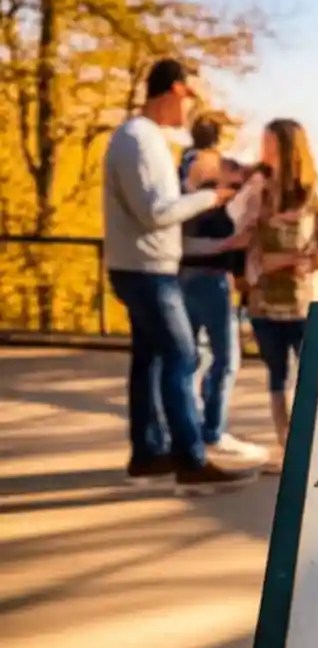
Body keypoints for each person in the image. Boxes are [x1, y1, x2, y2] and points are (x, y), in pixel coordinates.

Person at [103, 58, 258, 494]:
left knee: (151, 359)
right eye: (190, 94)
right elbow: (156, 213)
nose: (191, 104)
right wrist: (213, 197)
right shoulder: (140, 140)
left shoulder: (139, 138)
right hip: (148, 270)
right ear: (173, 90)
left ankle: (149, 453)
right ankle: (190, 457)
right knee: (182, 356)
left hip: (140, 266)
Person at [225, 119, 318, 472]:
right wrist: (249, 188)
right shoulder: (259, 186)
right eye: (264, 142)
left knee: (314, 376)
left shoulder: (313, 191)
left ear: (290, 148)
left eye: (271, 143)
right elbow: (233, 221)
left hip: (305, 302)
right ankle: (289, 448)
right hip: (264, 301)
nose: (264, 150)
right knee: (278, 375)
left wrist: (306, 261)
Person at [177, 116, 269, 465]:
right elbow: (239, 180)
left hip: (186, 273)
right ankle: (212, 431)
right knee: (225, 359)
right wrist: (232, 242)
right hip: (208, 274)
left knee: (192, 358)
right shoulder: (207, 167)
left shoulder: (183, 167)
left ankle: (189, 428)